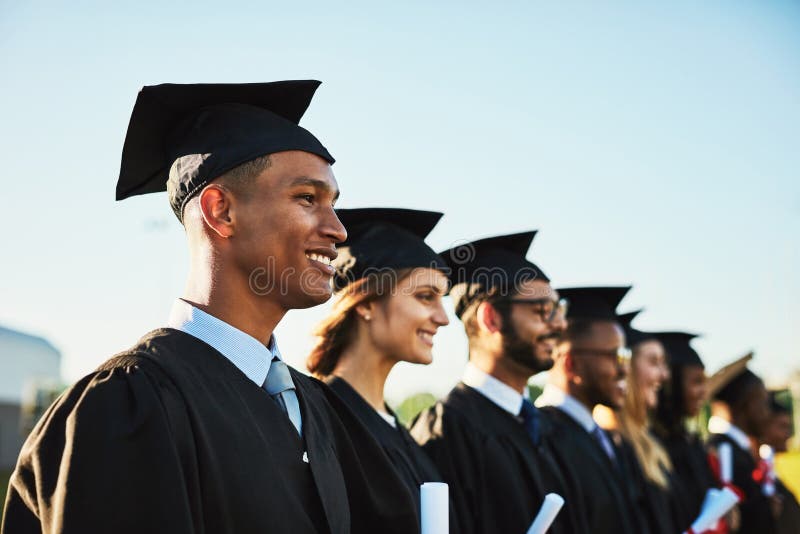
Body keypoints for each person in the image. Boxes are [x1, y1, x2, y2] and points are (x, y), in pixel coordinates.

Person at [1, 81, 418, 534]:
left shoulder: (315, 405)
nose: (338, 229)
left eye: (334, 204)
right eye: (307, 198)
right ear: (221, 211)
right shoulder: (127, 406)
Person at [411, 232, 588, 534]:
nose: (559, 324)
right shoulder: (447, 432)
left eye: (559, 311)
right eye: (542, 311)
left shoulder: (547, 427)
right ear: (491, 318)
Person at [305, 207, 452, 522]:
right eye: (426, 297)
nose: (443, 318)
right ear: (368, 302)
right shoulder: (319, 419)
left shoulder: (401, 433)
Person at [536, 286, 646, 534]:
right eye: (614, 356)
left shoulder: (606, 438)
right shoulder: (542, 437)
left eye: (626, 355)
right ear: (571, 363)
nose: (624, 369)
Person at [611, 311, 679, 534]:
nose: (664, 375)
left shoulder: (650, 444)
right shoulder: (612, 445)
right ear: (626, 368)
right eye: (654, 362)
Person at [652, 331, 718, 531]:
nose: (704, 392)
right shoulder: (652, 446)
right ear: (670, 384)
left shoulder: (691, 442)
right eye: (696, 382)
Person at [708, 367, 777, 534]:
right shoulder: (724, 452)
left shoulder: (740, 449)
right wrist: (767, 510)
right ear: (745, 405)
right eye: (763, 402)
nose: (768, 413)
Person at [761, 392, 800, 534]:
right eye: (782, 426)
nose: (788, 434)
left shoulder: (770, 468)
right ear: (764, 425)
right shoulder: (755, 471)